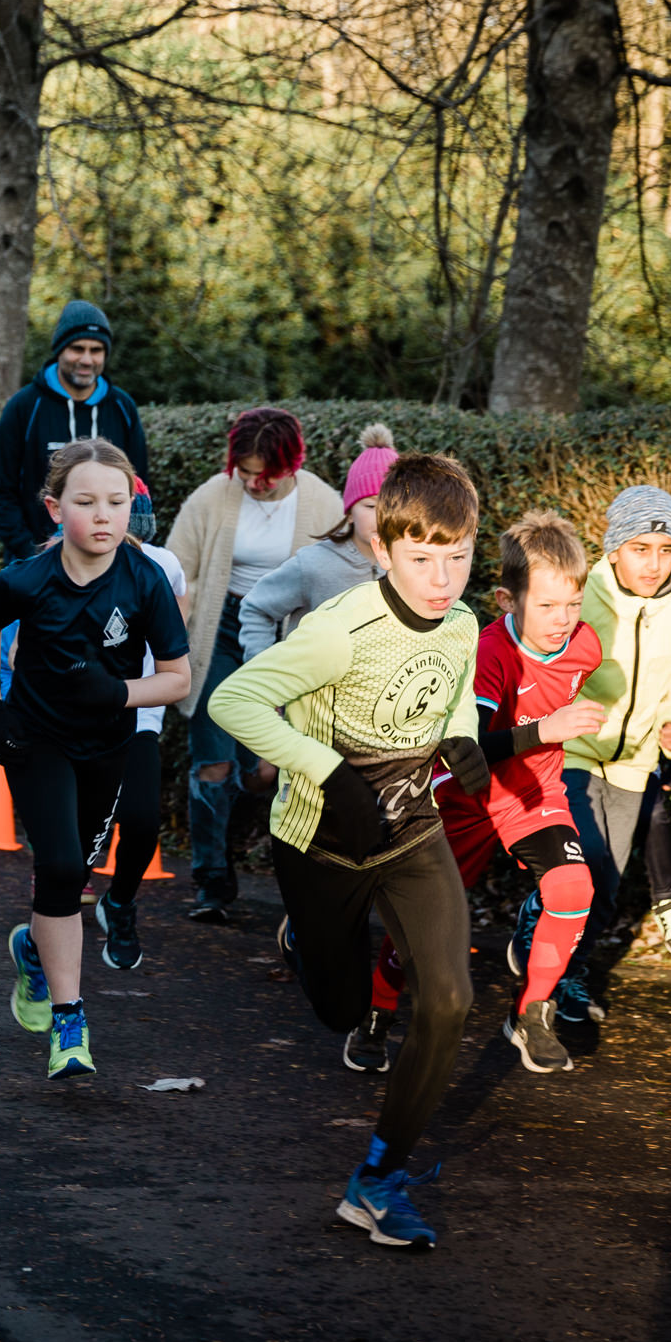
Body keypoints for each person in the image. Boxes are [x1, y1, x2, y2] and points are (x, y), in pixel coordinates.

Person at [208, 454, 487, 1249]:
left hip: (410, 834)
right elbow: (236, 698)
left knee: (450, 999)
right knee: (339, 1007)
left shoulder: (463, 620)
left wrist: (462, 732)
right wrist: (327, 771)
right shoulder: (343, 630)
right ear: (384, 552)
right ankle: (305, 938)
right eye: (423, 559)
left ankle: (378, 1178)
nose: (442, 578)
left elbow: (456, 675)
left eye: (459, 556)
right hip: (320, 845)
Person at [0, 442, 190, 1079]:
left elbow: (177, 678)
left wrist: (120, 693)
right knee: (61, 865)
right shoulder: (30, 577)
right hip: (37, 741)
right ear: (54, 507)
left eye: (117, 503)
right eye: (87, 502)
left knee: (76, 873)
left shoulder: (145, 580)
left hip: (109, 747)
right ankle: (71, 1023)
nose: (104, 516)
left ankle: (35, 953)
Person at [426, 513, 606, 1075]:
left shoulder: (586, 648)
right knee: (426, 924)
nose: (563, 621)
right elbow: (473, 743)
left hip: (535, 793)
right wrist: (546, 730)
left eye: (573, 605)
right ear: (507, 599)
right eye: (547, 607)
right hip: (468, 795)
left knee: (575, 887)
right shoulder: (489, 653)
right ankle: (379, 1007)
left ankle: (532, 1012)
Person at [165, 407, 344, 923]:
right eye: (243, 473)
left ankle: (237, 829)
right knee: (212, 761)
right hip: (220, 628)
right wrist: (174, 631)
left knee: (267, 768)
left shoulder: (320, 502)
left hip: (286, 637)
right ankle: (211, 881)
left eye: (263, 475)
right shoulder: (214, 495)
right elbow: (179, 568)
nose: (252, 484)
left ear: (292, 465)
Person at [559, 486, 671, 1010]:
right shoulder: (580, 595)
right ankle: (541, 956)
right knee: (576, 869)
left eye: (666, 549)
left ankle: (571, 975)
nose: (654, 563)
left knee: (604, 886)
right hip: (574, 754)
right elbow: (546, 662)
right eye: (640, 548)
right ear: (613, 550)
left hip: (633, 765)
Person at [84, 477, 187, 971]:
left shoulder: (162, 566)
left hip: (140, 709)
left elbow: (178, 636)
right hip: (78, 715)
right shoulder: (66, 561)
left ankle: (120, 902)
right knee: (77, 832)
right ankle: (50, 921)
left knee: (143, 823)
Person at [0, 301, 149, 564]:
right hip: (34, 563)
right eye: (77, 348)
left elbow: (138, 489)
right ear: (60, 349)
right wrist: (33, 553)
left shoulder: (122, 408)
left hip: (108, 564)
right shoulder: (25, 406)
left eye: (96, 350)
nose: (86, 359)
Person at [239, 426, 397, 661]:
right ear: (350, 512)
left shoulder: (412, 566)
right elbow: (257, 608)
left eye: (394, 506)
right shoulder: (314, 564)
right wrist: (266, 674)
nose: (382, 517)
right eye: (371, 506)